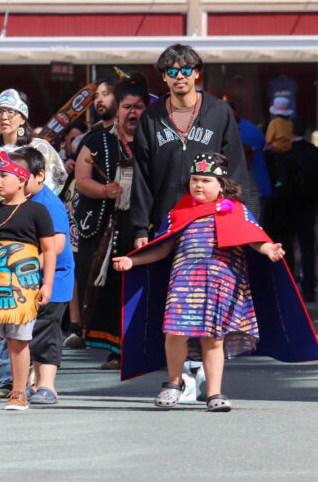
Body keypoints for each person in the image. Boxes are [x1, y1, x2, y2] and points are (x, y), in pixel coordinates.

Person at [112, 152, 318, 412]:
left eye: (206, 180)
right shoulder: (179, 213)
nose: (198, 185)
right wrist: (134, 261)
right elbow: (162, 248)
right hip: (183, 284)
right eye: (195, 179)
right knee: (175, 333)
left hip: (221, 286)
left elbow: (253, 237)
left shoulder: (236, 211)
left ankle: (214, 393)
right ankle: (173, 384)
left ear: (221, 186)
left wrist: (269, 249)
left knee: (213, 339)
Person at [130, 43, 249, 252]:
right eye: (172, 71)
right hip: (165, 223)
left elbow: (235, 165)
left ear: (196, 74)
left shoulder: (219, 111)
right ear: (164, 77)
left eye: (186, 70)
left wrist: (231, 213)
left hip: (210, 221)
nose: (179, 76)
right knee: (169, 283)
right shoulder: (150, 117)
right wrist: (140, 228)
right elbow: (141, 175)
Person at [0, 151, 56, 412]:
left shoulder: (37, 211)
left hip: (24, 286)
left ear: (21, 179)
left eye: (4, 175)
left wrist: (47, 284)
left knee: (18, 341)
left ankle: (18, 392)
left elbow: (49, 250)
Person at [73, 75, 149, 366]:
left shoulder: (155, 140)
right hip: (111, 225)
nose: (132, 113)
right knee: (112, 287)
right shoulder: (98, 140)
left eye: (139, 107)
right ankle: (117, 349)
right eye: (127, 106)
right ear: (118, 109)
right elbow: (82, 180)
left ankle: (147, 346)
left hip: (146, 225)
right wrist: (105, 190)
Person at [13, 145, 74, 405]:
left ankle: (47, 385)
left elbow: (57, 243)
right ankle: (33, 383)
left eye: (21, 174)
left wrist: (28, 265)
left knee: (46, 331)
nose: (15, 179)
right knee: (26, 331)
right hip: (26, 279)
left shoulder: (49, 203)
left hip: (54, 278)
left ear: (40, 175)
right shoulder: (19, 201)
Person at [0, 88, 66, 235]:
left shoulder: (41, 148)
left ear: (23, 117)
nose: (4, 117)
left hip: (33, 233)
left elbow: (58, 184)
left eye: (10, 111)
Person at [266, 117, 318, 302]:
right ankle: (309, 289)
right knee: (307, 249)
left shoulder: (279, 152)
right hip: (308, 207)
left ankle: (289, 286)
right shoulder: (313, 151)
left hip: (286, 206)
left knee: (286, 245)